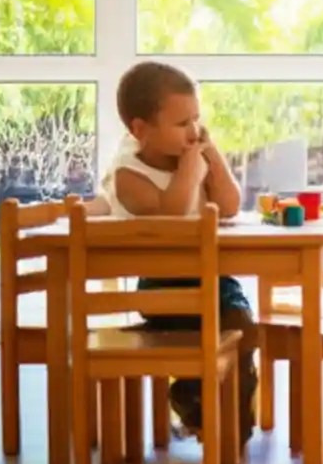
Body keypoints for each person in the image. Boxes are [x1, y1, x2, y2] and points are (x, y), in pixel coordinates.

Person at [100, 61, 255, 444]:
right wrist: (189, 169)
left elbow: (231, 205)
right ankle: (194, 403)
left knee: (242, 326)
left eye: (196, 120)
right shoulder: (128, 176)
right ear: (140, 130)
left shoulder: (196, 158)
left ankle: (228, 425)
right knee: (200, 332)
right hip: (163, 288)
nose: (194, 132)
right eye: (182, 123)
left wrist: (213, 157)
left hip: (213, 280)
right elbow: (172, 214)